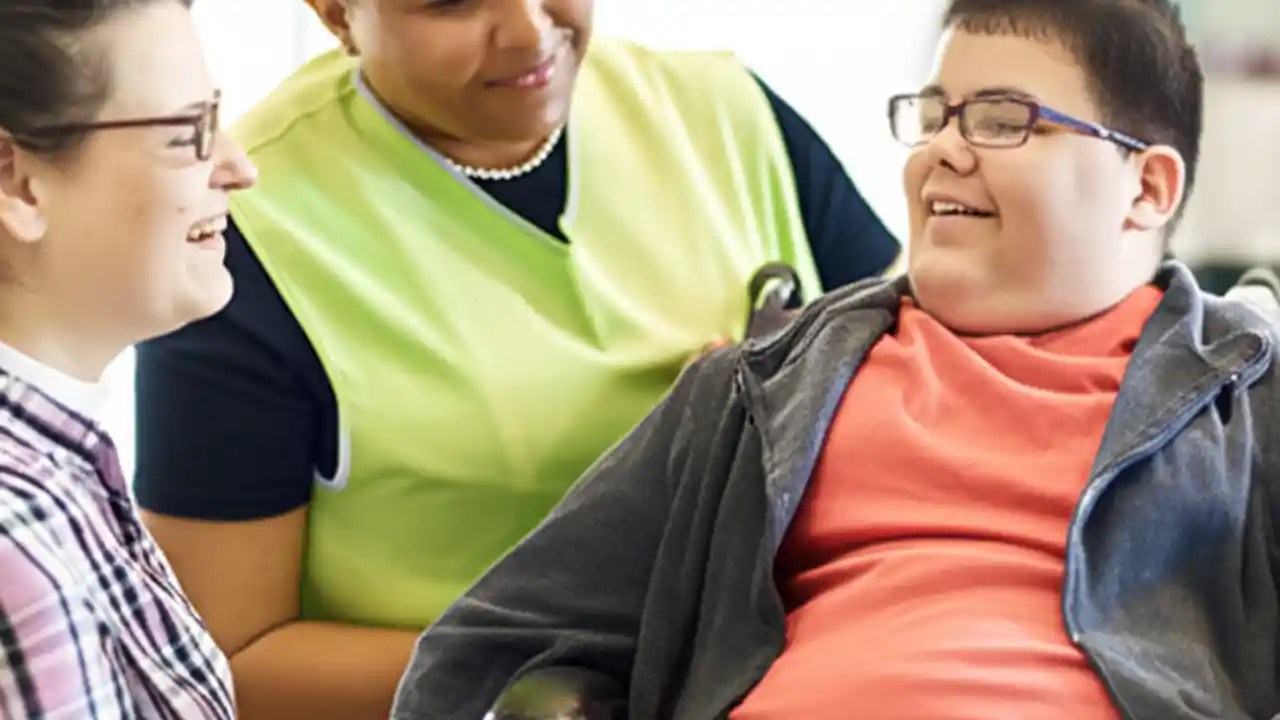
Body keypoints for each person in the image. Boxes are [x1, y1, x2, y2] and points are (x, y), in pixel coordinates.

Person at [391, 1, 1280, 718]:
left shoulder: (1248, 398)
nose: (943, 148)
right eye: (934, 115)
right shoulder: (760, 385)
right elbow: (482, 645)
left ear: (1146, 187)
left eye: (1005, 121)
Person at [129, 0, 901, 717]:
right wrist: (555, 674)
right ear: (332, 11)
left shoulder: (730, 114)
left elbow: (928, 401)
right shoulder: (247, 235)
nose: (529, 30)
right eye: (453, 0)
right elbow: (223, 659)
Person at [0, 1, 258, 717]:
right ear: (15, 182)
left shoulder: (61, 460)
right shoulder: (18, 545)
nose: (240, 166)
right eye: (189, 133)